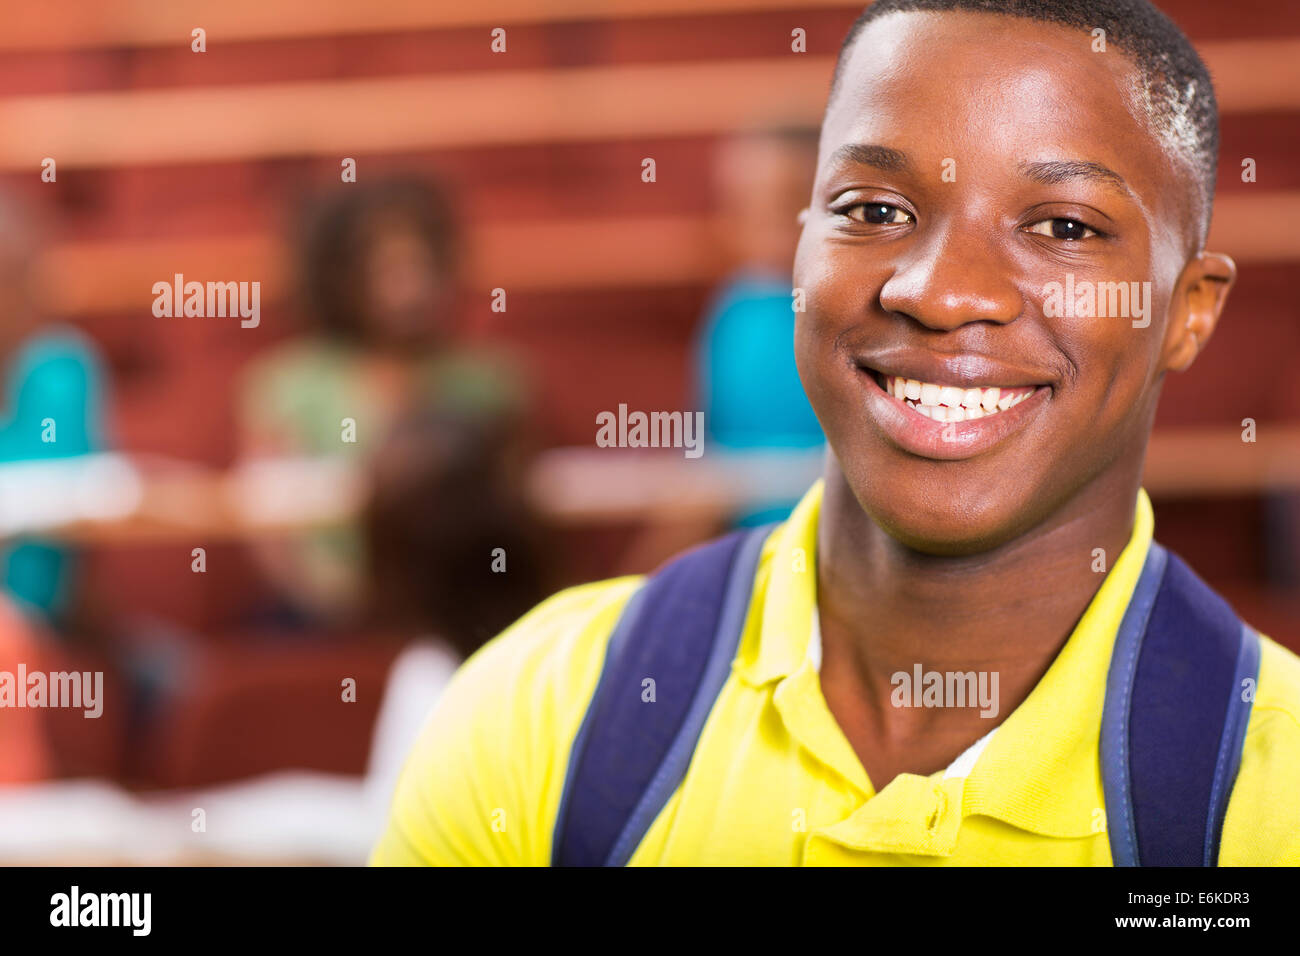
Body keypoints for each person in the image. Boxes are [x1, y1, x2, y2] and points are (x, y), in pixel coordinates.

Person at [372, 0, 1300, 866]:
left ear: (1188, 311)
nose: (940, 291)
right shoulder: (538, 716)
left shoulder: (1276, 786)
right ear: (802, 243)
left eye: (1062, 225)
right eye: (876, 211)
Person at [238, 176, 525, 628]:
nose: (409, 289)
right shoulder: (286, 386)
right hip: (324, 617)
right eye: (387, 271)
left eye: (421, 266)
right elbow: (271, 532)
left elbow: (515, 524)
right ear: (342, 279)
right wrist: (342, 607)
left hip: (466, 612)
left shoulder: (491, 383)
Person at [694, 125, 826, 527]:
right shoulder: (734, 315)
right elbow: (710, 472)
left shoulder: (862, 315)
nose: (763, 225)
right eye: (742, 205)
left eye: (788, 203)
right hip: (757, 559)